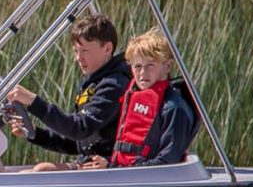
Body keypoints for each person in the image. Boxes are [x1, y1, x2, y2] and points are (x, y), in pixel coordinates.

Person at [5, 14, 133, 171]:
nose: (78, 58)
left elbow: (79, 128)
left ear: (107, 48)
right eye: (76, 51)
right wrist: (36, 134)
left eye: (85, 50)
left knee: (39, 171)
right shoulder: (93, 81)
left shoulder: (114, 86)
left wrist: (34, 102)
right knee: (35, 171)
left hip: (103, 167)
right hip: (87, 163)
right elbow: (76, 143)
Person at [78, 28, 195, 169]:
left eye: (150, 65)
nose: (142, 73)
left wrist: (111, 168)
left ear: (168, 66)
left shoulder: (173, 108)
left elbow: (167, 164)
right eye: (137, 66)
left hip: (144, 181)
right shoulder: (131, 97)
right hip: (124, 173)